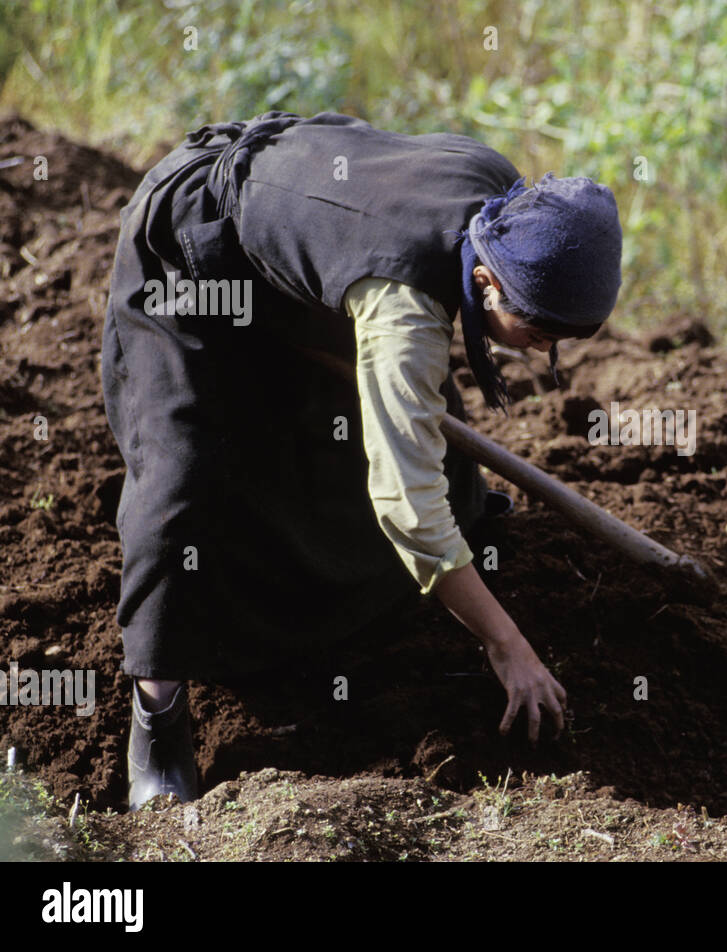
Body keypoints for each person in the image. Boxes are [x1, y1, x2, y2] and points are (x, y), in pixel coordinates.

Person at [102, 111, 623, 810]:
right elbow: (405, 503)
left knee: (366, 421)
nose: (538, 352)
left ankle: (443, 557)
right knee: (182, 478)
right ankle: (159, 715)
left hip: (308, 246)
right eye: (533, 330)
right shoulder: (403, 314)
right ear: (484, 279)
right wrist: (508, 645)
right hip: (190, 258)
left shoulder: (504, 201)